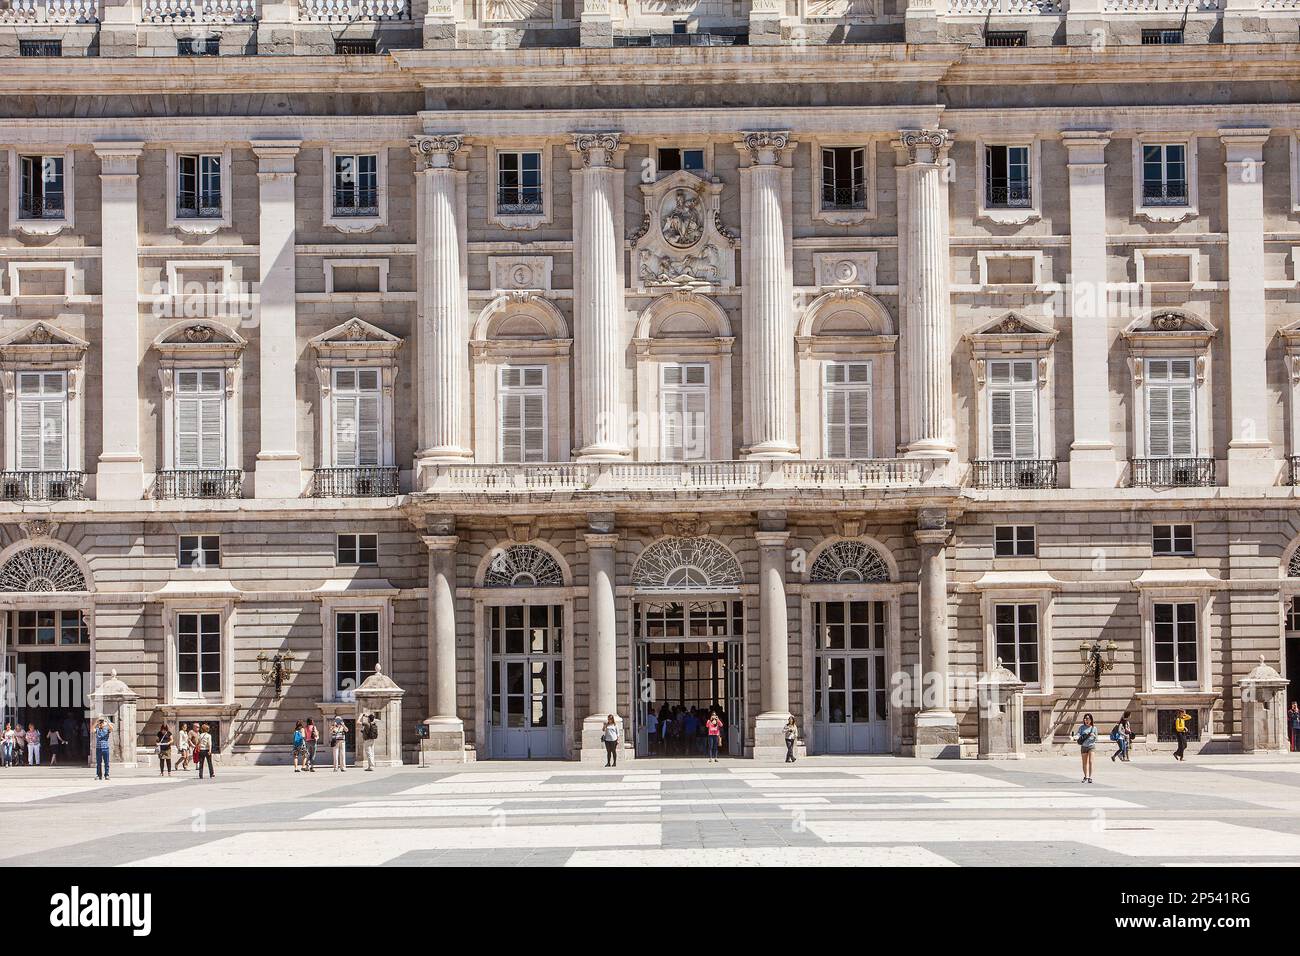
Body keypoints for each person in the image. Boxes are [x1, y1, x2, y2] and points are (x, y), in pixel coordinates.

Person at [1077, 713, 1098, 783]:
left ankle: (1090, 777)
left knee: (1091, 762)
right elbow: (1078, 734)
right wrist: (1076, 737)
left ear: (1091, 720)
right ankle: (1086, 776)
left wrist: (1094, 735)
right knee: (1084, 763)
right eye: (1085, 718)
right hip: (1083, 746)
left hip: (1091, 746)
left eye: (1088, 718)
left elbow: (1097, 739)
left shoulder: (1094, 728)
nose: (1086, 720)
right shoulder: (1081, 727)